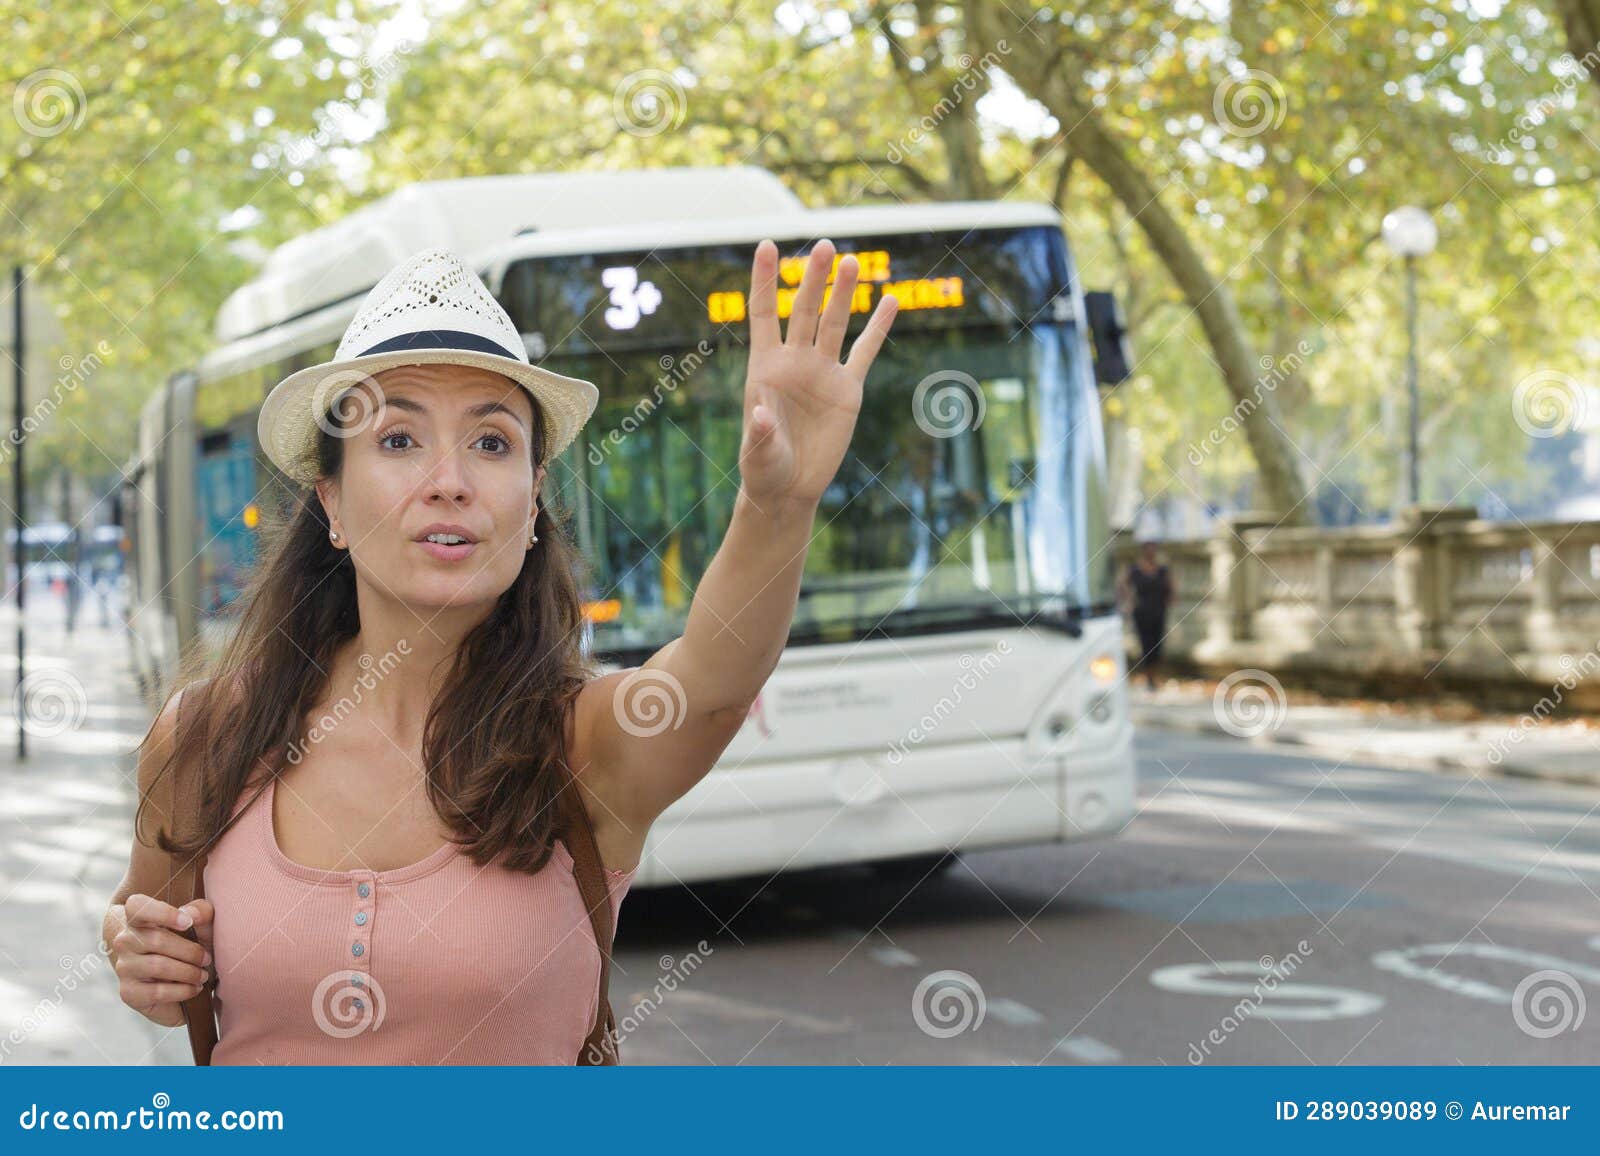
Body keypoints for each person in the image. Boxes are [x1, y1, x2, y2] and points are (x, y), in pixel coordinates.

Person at [101, 241, 899, 1064]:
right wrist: (136, 951)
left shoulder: (584, 746)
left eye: (490, 444)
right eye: (400, 440)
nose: (449, 479)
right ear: (331, 502)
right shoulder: (202, 739)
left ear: (532, 508)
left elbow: (716, 683)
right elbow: (154, 949)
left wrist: (779, 506)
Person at [1118, 539, 1174, 691]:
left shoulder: (1162, 569)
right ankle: (1149, 677)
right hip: (1142, 613)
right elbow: (1122, 585)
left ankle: (1153, 675)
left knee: (1157, 644)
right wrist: (1128, 601)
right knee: (1146, 644)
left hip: (1158, 612)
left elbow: (1171, 588)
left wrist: (1168, 600)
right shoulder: (1135, 569)